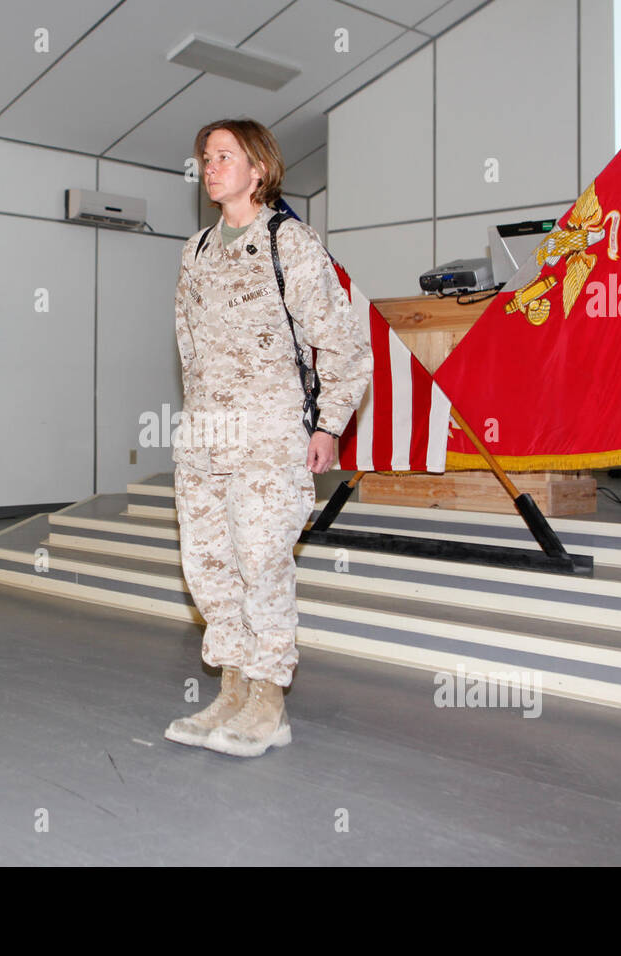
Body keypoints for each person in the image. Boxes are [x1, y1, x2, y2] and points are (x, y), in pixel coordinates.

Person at [164, 119, 373, 757]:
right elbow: (188, 347)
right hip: (205, 436)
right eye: (206, 157)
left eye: (226, 156)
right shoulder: (195, 250)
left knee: (260, 563)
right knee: (209, 568)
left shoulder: (291, 242)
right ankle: (230, 689)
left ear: (259, 169)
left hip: (268, 436)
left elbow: (341, 340)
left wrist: (330, 424)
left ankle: (268, 701)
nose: (211, 167)